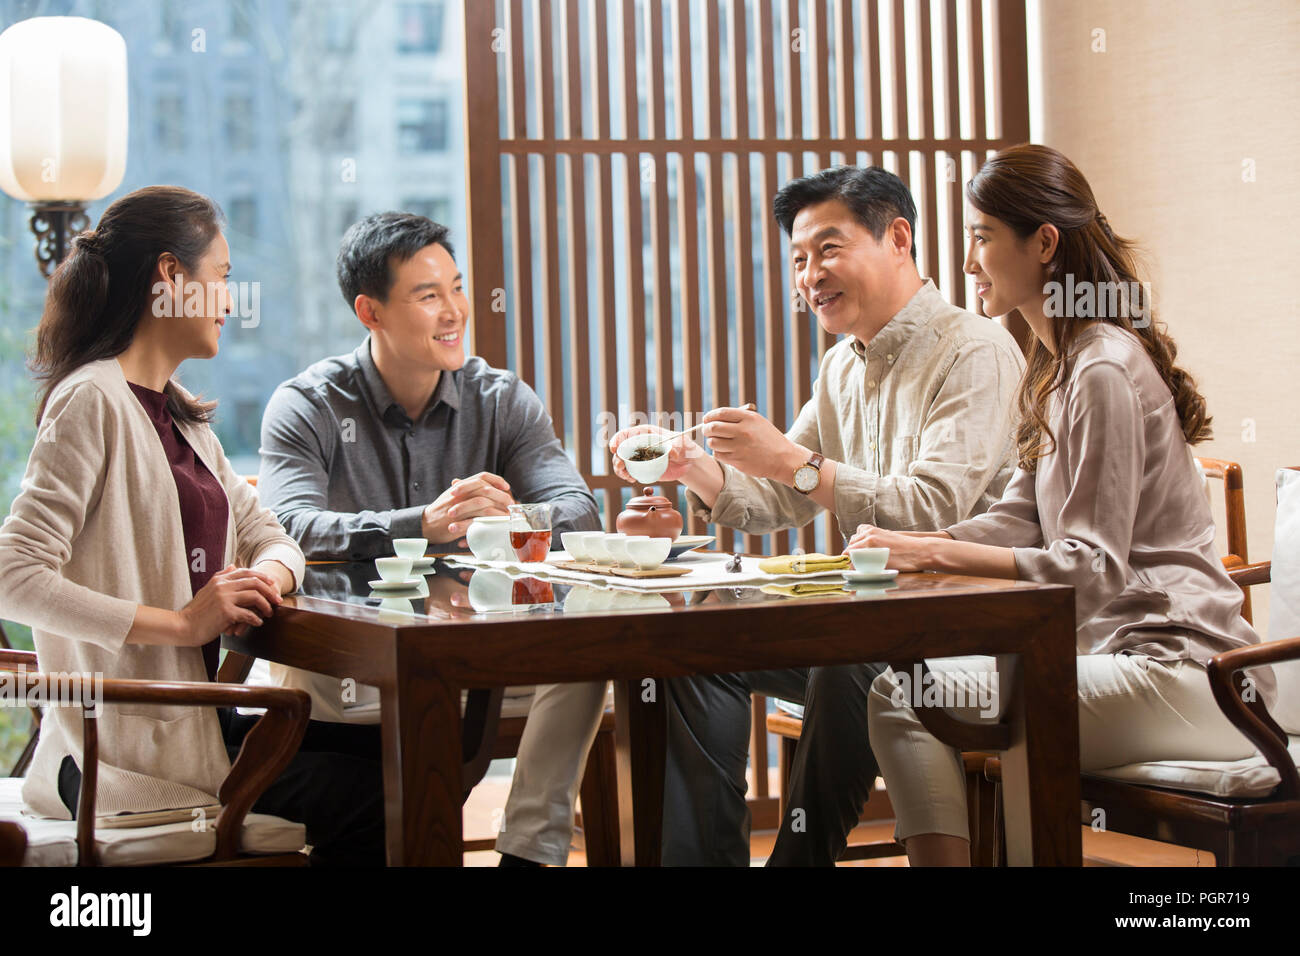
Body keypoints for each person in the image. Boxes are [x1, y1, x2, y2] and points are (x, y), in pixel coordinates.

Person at [858, 143, 1275, 866]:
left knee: (913, 698)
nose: (965, 262)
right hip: (1127, 659)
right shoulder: (1062, 367)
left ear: (1043, 243)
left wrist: (930, 552)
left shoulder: (1103, 368)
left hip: (1190, 675)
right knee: (905, 691)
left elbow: (1089, 569)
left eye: (981, 236)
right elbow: (1022, 516)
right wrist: (910, 547)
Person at [608, 166, 1027, 865]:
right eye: (798, 259)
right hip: (878, 626)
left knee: (850, 659)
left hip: (969, 631)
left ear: (898, 238)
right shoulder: (841, 367)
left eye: (827, 250)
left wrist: (790, 462)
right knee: (695, 654)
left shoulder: (974, 350)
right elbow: (780, 497)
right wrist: (693, 468)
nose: (809, 275)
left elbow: (930, 508)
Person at [0, 186, 384, 865]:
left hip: (192, 723)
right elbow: (13, 576)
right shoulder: (93, 400)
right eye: (223, 277)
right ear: (171, 278)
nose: (231, 302)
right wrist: (182, 624)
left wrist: (260, 577)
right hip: (126, 756)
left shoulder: (180, 420)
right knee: (373, 792)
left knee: (395, 751)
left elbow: (275, 538)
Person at [256, 212, 607, 866]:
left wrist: (511, 518)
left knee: (586, 653)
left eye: (457, 287)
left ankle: (530, 852)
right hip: (351, 669)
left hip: (481, 658)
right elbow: (288, 528)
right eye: (427, 295)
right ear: (371, 311)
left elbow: (579, 510)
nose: (454, 312)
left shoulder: (500, 399)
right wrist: (423, 523)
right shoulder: (310, 404)